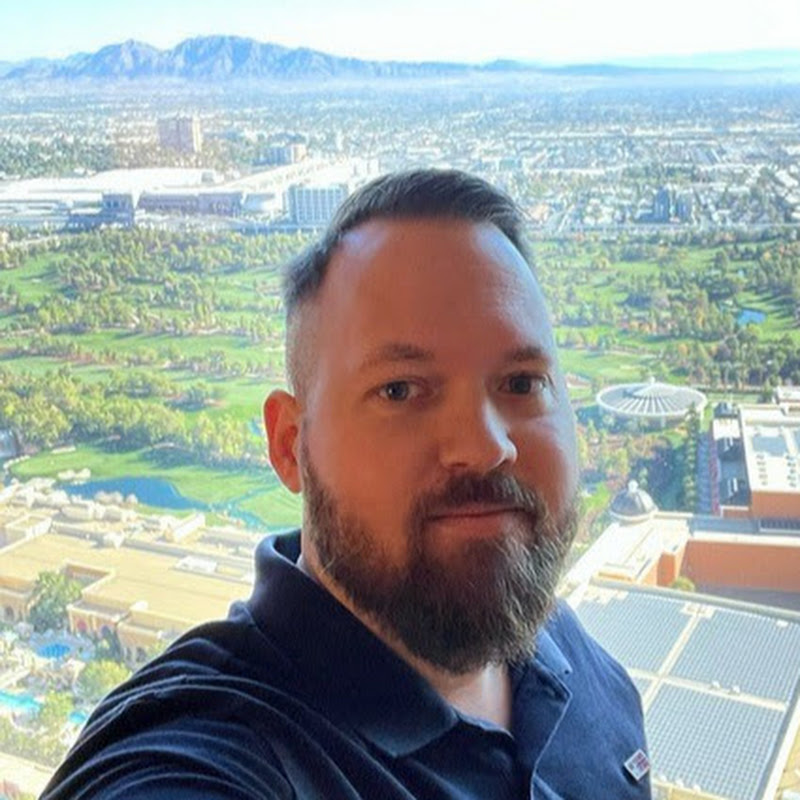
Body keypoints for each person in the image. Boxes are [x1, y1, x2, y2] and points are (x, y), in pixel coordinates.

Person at [42, 169, 650, 799]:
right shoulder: (208, 751)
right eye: (400, 390)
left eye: (521, 383)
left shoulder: (572, 659)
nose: (484, 446)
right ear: (290, 446)